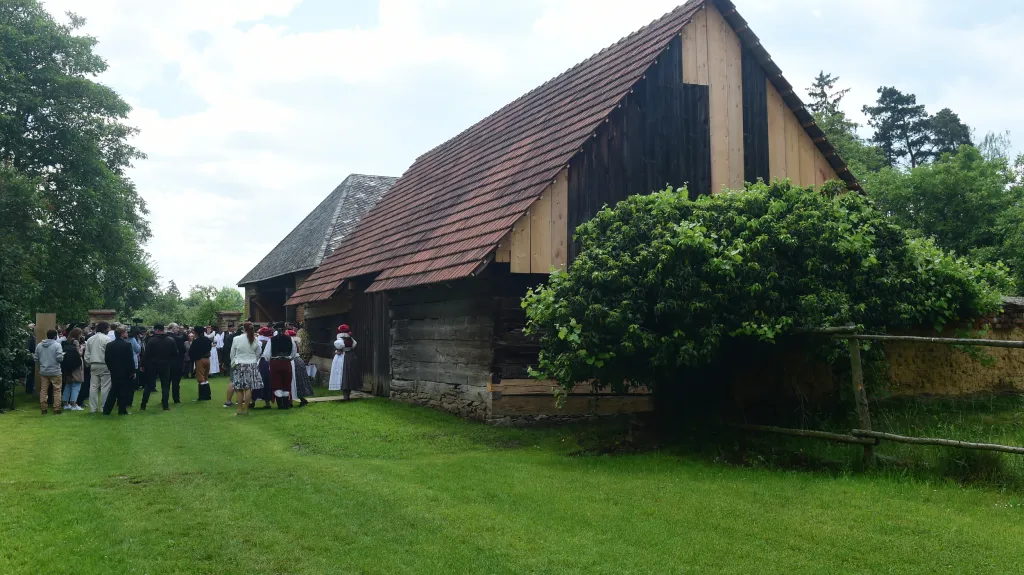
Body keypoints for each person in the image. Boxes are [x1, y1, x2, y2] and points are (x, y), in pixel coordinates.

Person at [140, 323, 179, 411]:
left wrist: (143, 365)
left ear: (157, 330)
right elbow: (175, 353)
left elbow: (146, 355)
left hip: (153, 365)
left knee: (149, 385)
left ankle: (143, 405)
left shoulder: (151, 341)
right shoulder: (170, 340)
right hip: (165, 365)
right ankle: (165, 405)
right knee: (165, 386)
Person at [229, 322, 263, 416]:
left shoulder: (236, 339)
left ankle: (239, 409)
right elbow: (258, 352)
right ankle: (246, 410)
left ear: (243, 329)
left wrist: (233, 362)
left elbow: (232, 352)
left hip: (239, 364)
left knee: (239, 388)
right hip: (251, 364)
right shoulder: (255, 339)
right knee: (248, 388)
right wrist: (254, 360)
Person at [102, 326, 135, 415]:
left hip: (114, 370)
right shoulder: (127, 345)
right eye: (126, 332)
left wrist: (111, 368)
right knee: (123, 390)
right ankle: (122, 410)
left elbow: (107, 359)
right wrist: (132, 371)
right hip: (125, 371)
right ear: (122, 334)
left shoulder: (109, 345)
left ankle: (107, 410)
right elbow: (130, 359)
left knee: (114, 389)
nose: (127, 334)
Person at [262, 322, 296, 409]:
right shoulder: (290, 339)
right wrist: (289, 358)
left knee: (276, 383)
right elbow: (293, 352)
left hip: (275, 362)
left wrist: (270, 359)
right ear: (285, 329)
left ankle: (280, 405)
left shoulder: (271, 340)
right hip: (286, 362)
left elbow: (266, 354)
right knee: (286, 382)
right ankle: (285, 404)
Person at [35, 329, 65, 415]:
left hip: (44, 371)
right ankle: (57, 409)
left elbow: (36, 358)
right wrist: (62, 356)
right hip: (55, 371)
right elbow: (59, 358)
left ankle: (43, 409)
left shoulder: (39, 345)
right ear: (55, 336)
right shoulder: (57, 345)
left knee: (43, 390)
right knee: (57, 390)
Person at [84, 322, 112, 413]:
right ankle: (104, 407)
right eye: (108, 328)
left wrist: (89, 363)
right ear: (105, 329)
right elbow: (109, 354)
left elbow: (87, 354)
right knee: (105, 387)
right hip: (105, 364)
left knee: (93, 387)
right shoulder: (107, 339)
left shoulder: (90, 339)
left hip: (93, 364)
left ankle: (93, 408)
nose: (109, 330)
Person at [329, 324, 360, 401]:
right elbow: (353, 345)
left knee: (344, 375)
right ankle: (347, 394)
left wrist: (336, 351)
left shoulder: (339, 341)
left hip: (343, 358)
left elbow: (339, 350)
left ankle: (346, 395)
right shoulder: (351, 339)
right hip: (351, 356)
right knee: (349, 375)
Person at [60, 328, 85, 411]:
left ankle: (65, 404)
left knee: (68, 385)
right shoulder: (76, 342)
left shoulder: (67, 341)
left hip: (68, 365)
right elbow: (79, 353)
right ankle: (74, 404)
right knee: (76, 385)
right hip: (76, 365)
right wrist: (82, 348)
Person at [189, 326, 213, 400]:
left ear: (196, 332)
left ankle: (202, 396)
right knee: (205, 377)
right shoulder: (208, 340)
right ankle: (208, 395)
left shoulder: (196, 341)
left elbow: (191, 351)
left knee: (200, 378)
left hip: (200, 360)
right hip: (207, 359)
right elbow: (210, 348)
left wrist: (193, 358)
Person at [168, 323, 187, 404]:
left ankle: (164, 398)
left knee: (166, 382)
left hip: (165, 363)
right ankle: (176, 398)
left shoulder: (163, 338)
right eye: (177, 328)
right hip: (176, 362)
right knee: (175, 382)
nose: (178, 330)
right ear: (173, 328)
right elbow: (183, 350)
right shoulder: (177, 339)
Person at [222, 327, 239, 407]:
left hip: (234, 361)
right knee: (242, 381)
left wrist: (226, 362)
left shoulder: (231, 338)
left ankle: (229, 401)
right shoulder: (248, 338)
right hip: (245, 361)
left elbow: (225, 349)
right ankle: (239, 400)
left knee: (233, 380)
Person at [25, 323, 36, 396]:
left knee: (30, 373)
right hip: (31, 357)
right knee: (31, 373)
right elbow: (32, 348)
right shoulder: (32, 338)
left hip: (28, 356)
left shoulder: (27, 337)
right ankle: (29, 389)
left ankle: (29, 388)